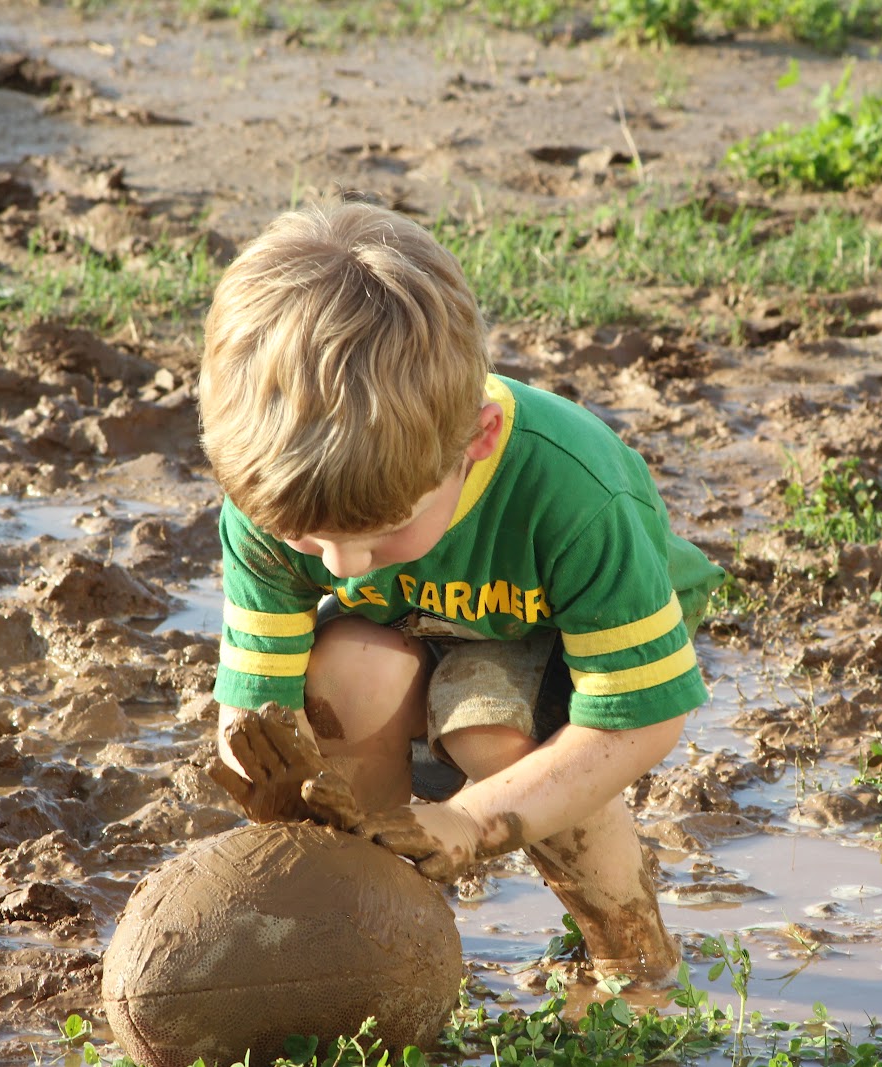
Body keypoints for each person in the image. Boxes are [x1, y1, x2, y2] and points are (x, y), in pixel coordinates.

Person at [198, 197, 723, 985]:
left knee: (486, 729)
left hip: (570, 637)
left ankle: (631, 949)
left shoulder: (573, 492)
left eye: (381, 532)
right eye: (314, 540)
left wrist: (473, 818)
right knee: (344, 680)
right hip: (419, 624)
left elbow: (639, 718)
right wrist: (276, 787)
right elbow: (257, 711)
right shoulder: (272, 507)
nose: (344, 566)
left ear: (474, 444)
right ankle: (391, 932)